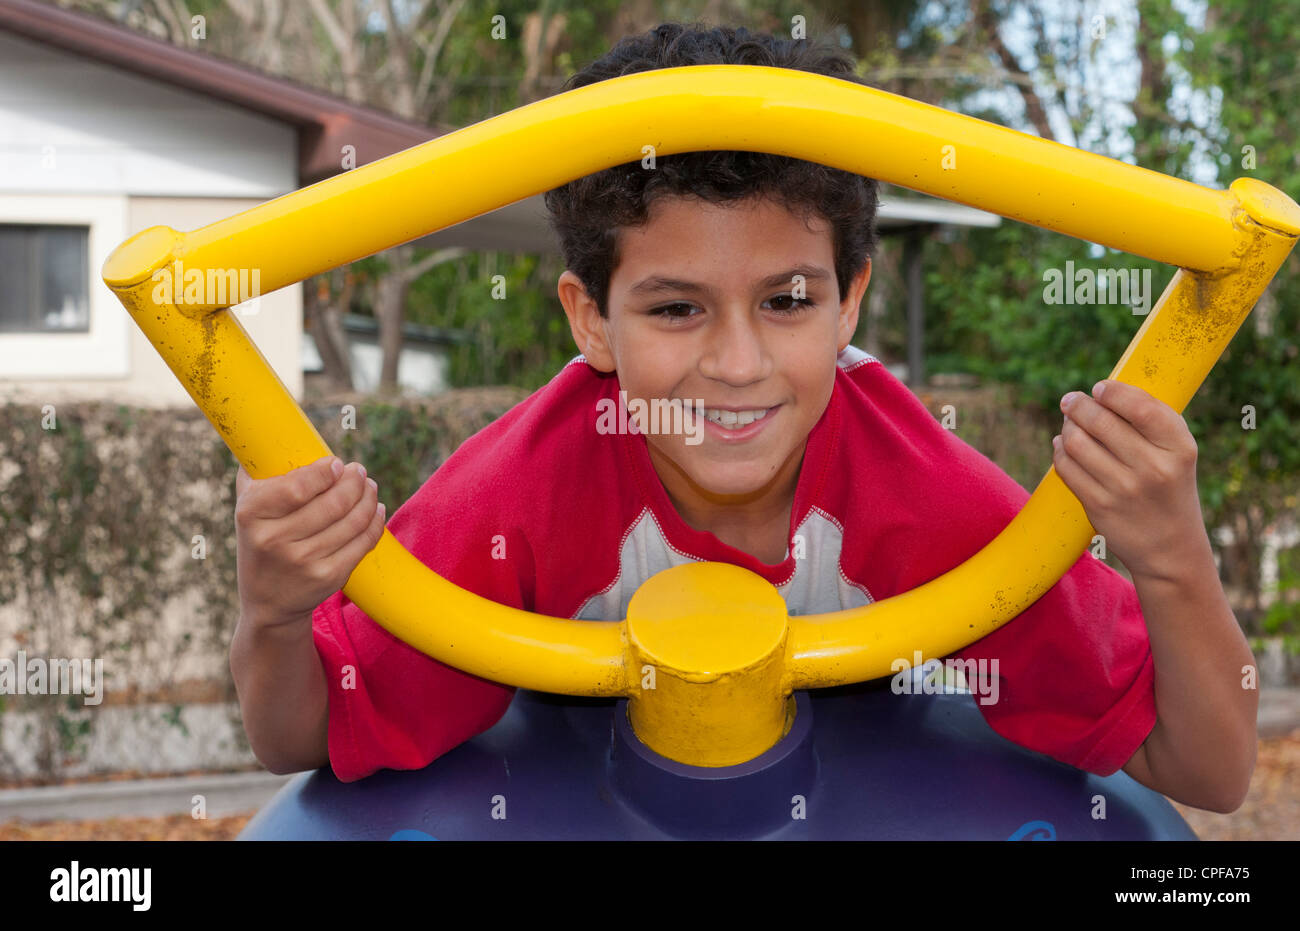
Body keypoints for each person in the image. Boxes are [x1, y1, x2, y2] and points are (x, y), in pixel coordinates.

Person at [230, 22, 1257, 813]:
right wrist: (273, 611)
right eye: (675, 308)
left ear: (850, 300)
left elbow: (1203, 768)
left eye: (788, 301)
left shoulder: (926, 500)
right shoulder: (521, 496)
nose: (735, 364)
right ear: (591, 320)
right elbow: (306, 735)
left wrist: (1170, 554)